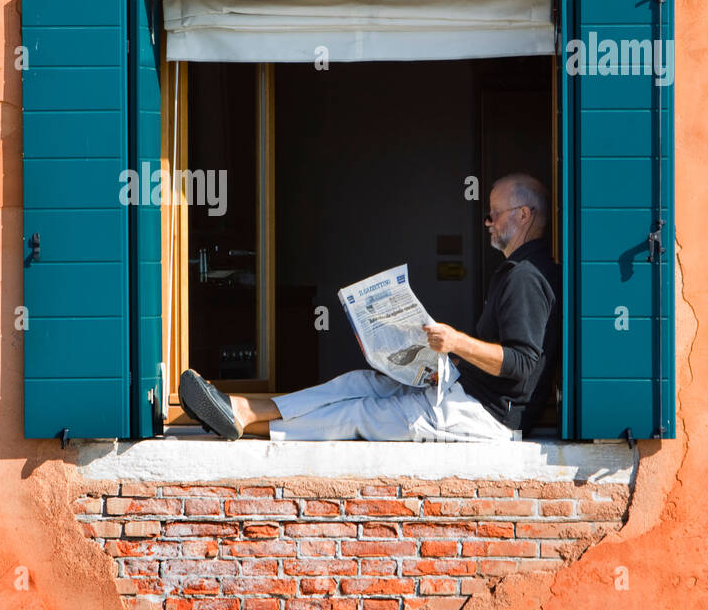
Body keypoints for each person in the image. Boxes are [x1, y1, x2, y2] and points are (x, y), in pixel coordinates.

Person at [178, 173, 559, 442]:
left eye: (494, 213)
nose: (487, 221)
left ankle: (243, 421)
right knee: (359, 383)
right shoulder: (518, 272)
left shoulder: (526, 277)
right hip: (465, 393)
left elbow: (521, 365)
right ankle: (241, 406)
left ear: (524, 215)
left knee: (358, 412)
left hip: (484, 417)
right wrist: (445, 366)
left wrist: (456, 342)